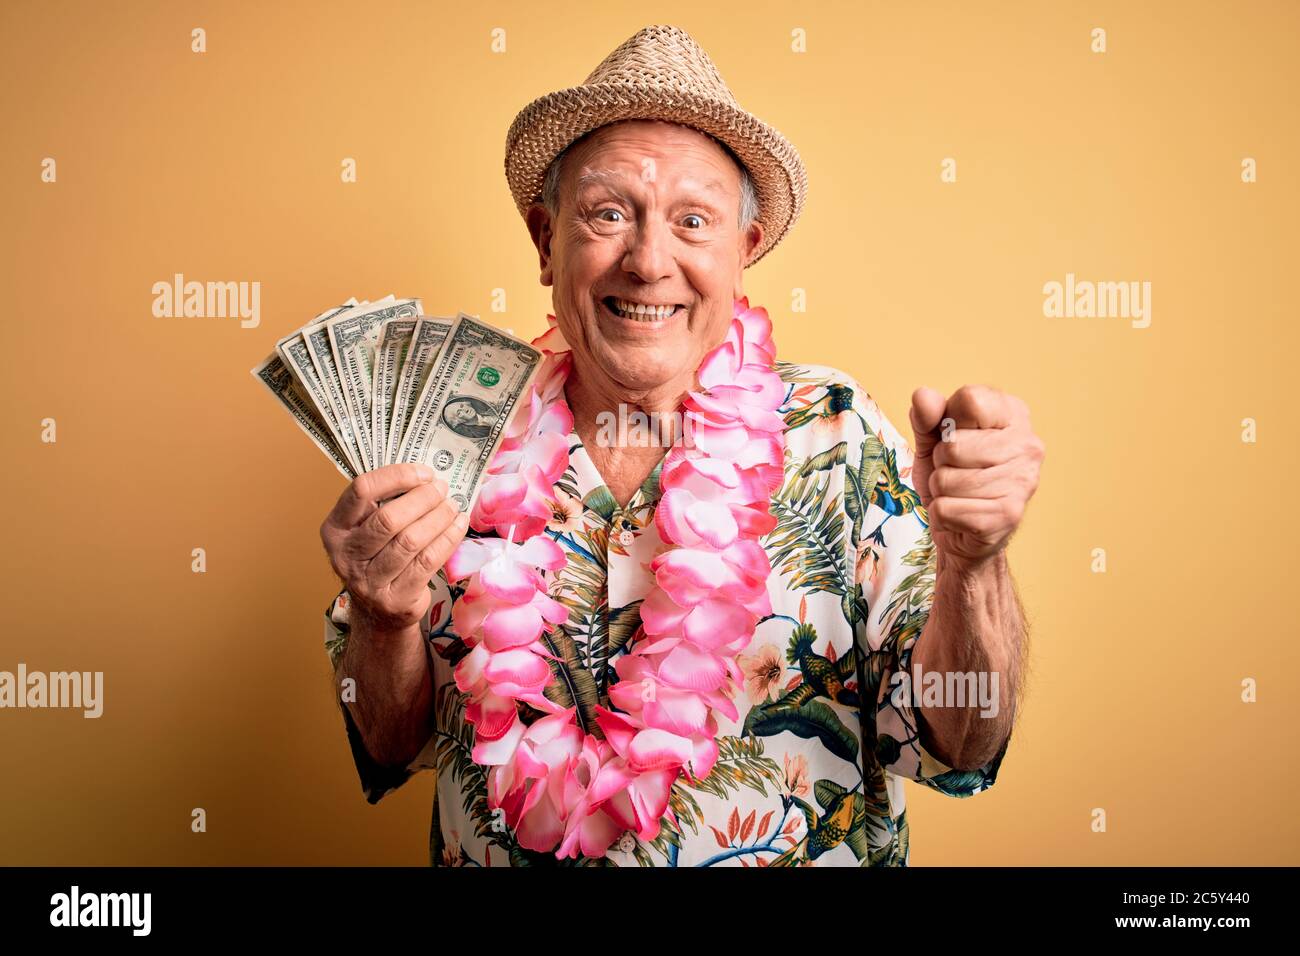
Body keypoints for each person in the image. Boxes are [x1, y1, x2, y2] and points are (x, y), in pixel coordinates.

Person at [319, 24, 1043, 866]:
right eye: (608, 214)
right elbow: (389, 743)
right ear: (543, 239)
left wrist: (975, 563)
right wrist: (381, 619)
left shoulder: (839, 434)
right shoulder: (447, 439)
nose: (648, 260)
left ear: (746, 250)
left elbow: (963, 741)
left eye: (692, 221)